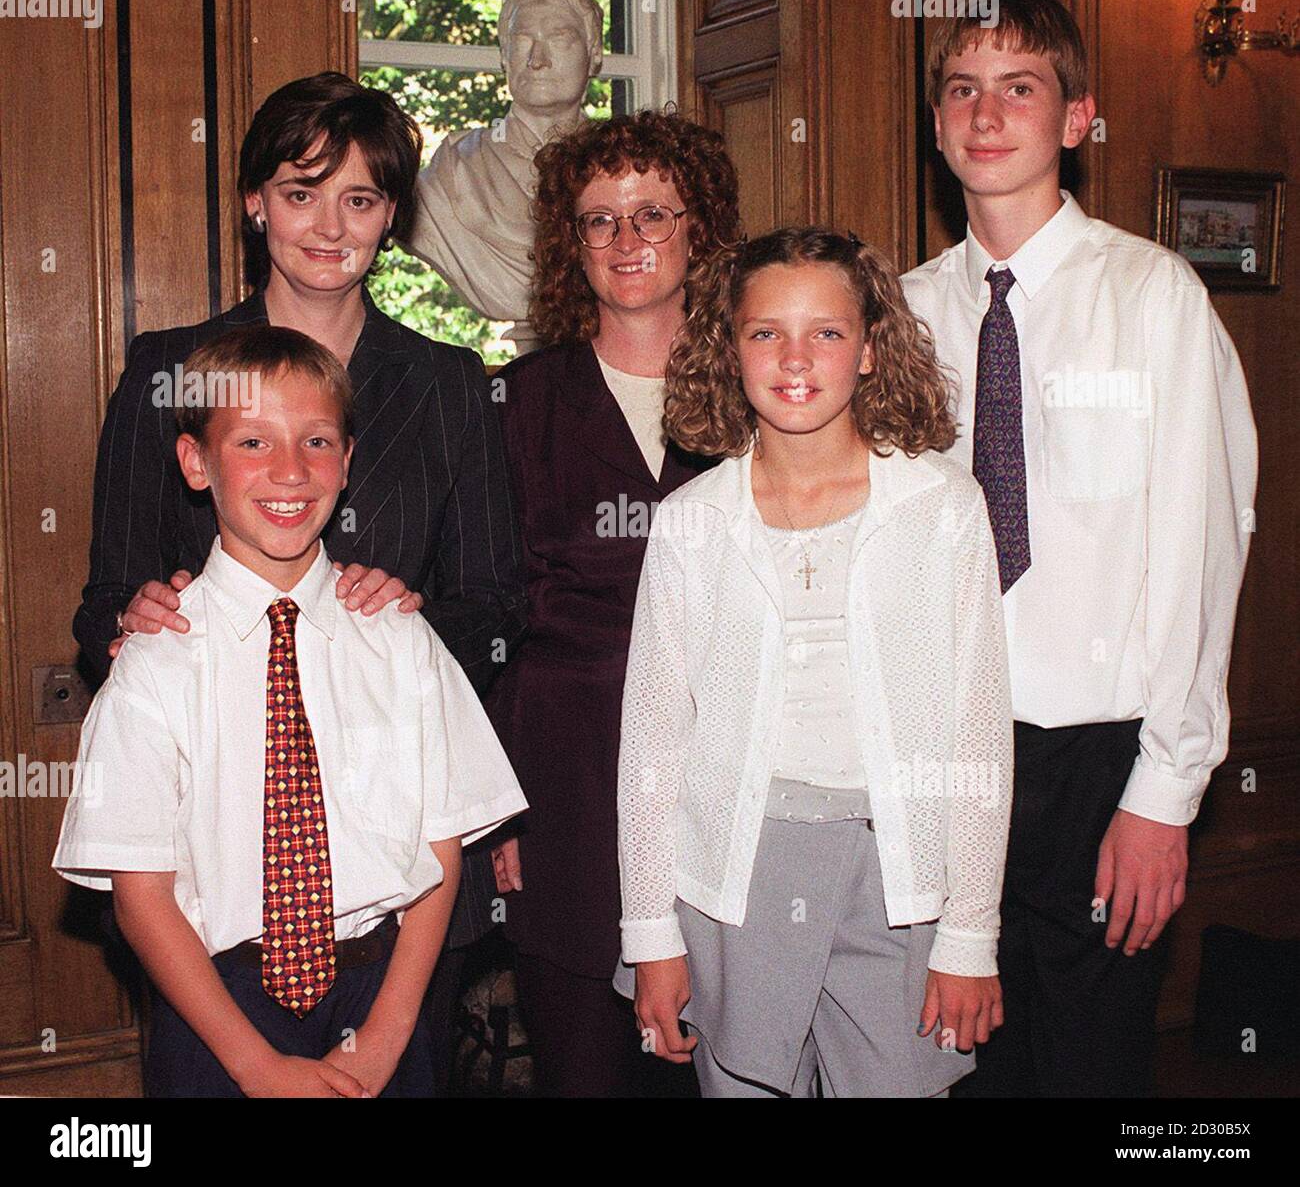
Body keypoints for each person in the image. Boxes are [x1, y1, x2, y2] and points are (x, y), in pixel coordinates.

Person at [72, 71, 527, 1094]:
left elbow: (497, 599)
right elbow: (105, 592)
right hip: (225, 859)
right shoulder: (171, 370)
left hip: (390, 857)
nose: (329, 225)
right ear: (253, 202)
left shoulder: (451, 380)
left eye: (360, 199)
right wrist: (132, 613)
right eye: (300, 190)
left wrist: (393, 618)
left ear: (391, 218)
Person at [900, 0, 1257, 1097]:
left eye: (1020, 87)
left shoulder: (1154, 299)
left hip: (1100, 760)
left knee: (1088, 1072)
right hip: (937, 754)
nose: (987, 112)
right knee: (953, 1071)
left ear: (1075, 118)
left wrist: (1164, 791)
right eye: (962, 88)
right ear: (938, 119)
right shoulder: (897, 315)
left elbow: (1205, 555)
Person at [616, 227, 1014, 1098]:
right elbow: (652, 743)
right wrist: (650, 933)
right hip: (733, 880)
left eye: (826, 332)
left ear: (871, 349)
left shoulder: (944, 506)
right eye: (765, 332)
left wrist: (970, 934)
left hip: (901, 876)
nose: (795, 358)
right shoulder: (691, 520)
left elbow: (977, 735)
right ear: (730, 349)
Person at [485, 108, 741, 1097]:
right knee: (585, 1069)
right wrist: (491, 807)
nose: (625, 240)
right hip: (565, 778)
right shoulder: (516, 402)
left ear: (699, 228)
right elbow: (480, 622)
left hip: (733, 771)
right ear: (570, 242)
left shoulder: (766, 385)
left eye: (650, 213)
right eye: (598, 220)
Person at [402, 0, 603, 352]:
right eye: (523, 41)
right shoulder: (454, 172)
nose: (537, 60)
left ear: (595, 52)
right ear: (503, 57)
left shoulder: (624, 173)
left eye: (559, 38)